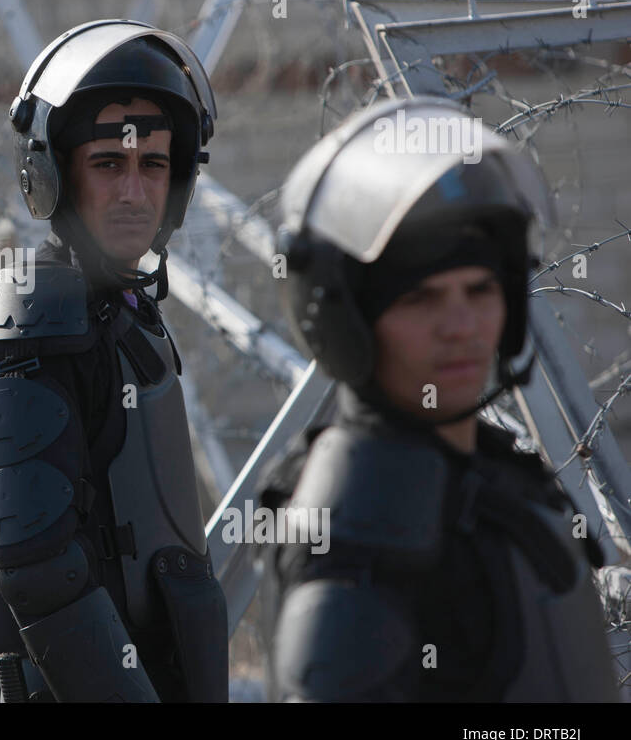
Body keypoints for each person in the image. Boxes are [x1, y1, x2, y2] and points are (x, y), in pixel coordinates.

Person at [259, 95, 618, 701]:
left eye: (480, 289)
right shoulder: (360, 526)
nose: (462, 326)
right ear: (349, 324)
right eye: (420, 299)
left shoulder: (485, 471)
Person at [0, 19, 229, 702]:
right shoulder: (37, 320)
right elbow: (35, 564)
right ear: (51, 175)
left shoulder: (113, 309)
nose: (134, 192)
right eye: (108, 164)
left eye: (152, 165)